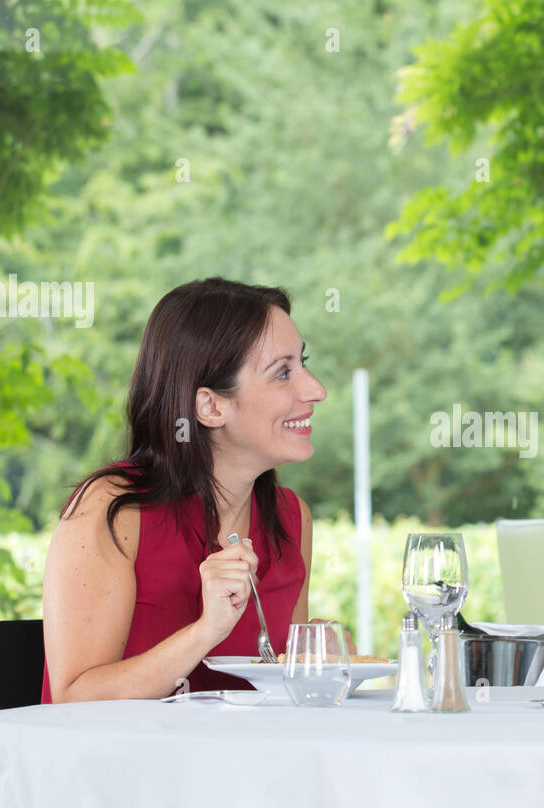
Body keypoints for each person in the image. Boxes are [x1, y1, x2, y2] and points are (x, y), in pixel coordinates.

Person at [40, 277, 329, 703]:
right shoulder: (113, 510)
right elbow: (74, 699)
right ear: (211, 406)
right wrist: (205, 632)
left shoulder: (290, 518)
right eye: (283, 372)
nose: (315, 390)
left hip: (241, 767)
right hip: (119, 767)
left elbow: (280, 696)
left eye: (302, 364)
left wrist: (316, 668)